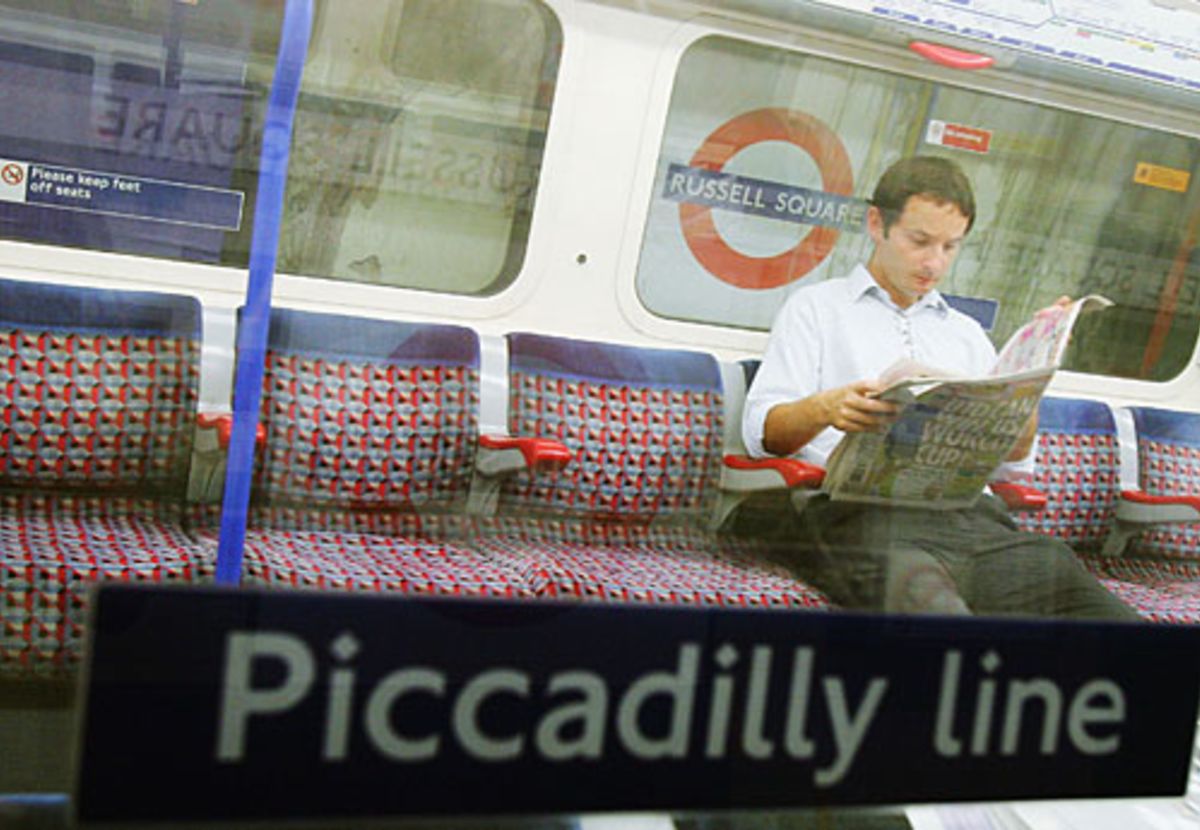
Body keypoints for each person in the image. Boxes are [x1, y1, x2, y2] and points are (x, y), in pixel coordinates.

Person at [742, 155, 1139, 620]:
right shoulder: (815, 308)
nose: (935, 263)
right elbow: (761, 434)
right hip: (864, 518)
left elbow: (1012, 465)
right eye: (920, 241)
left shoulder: (967, 334)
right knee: (941, 623)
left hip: (977, 523)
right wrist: (825, 409)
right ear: (877, 224)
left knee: (1118, 630)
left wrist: (1033, 371)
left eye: (951, 247)